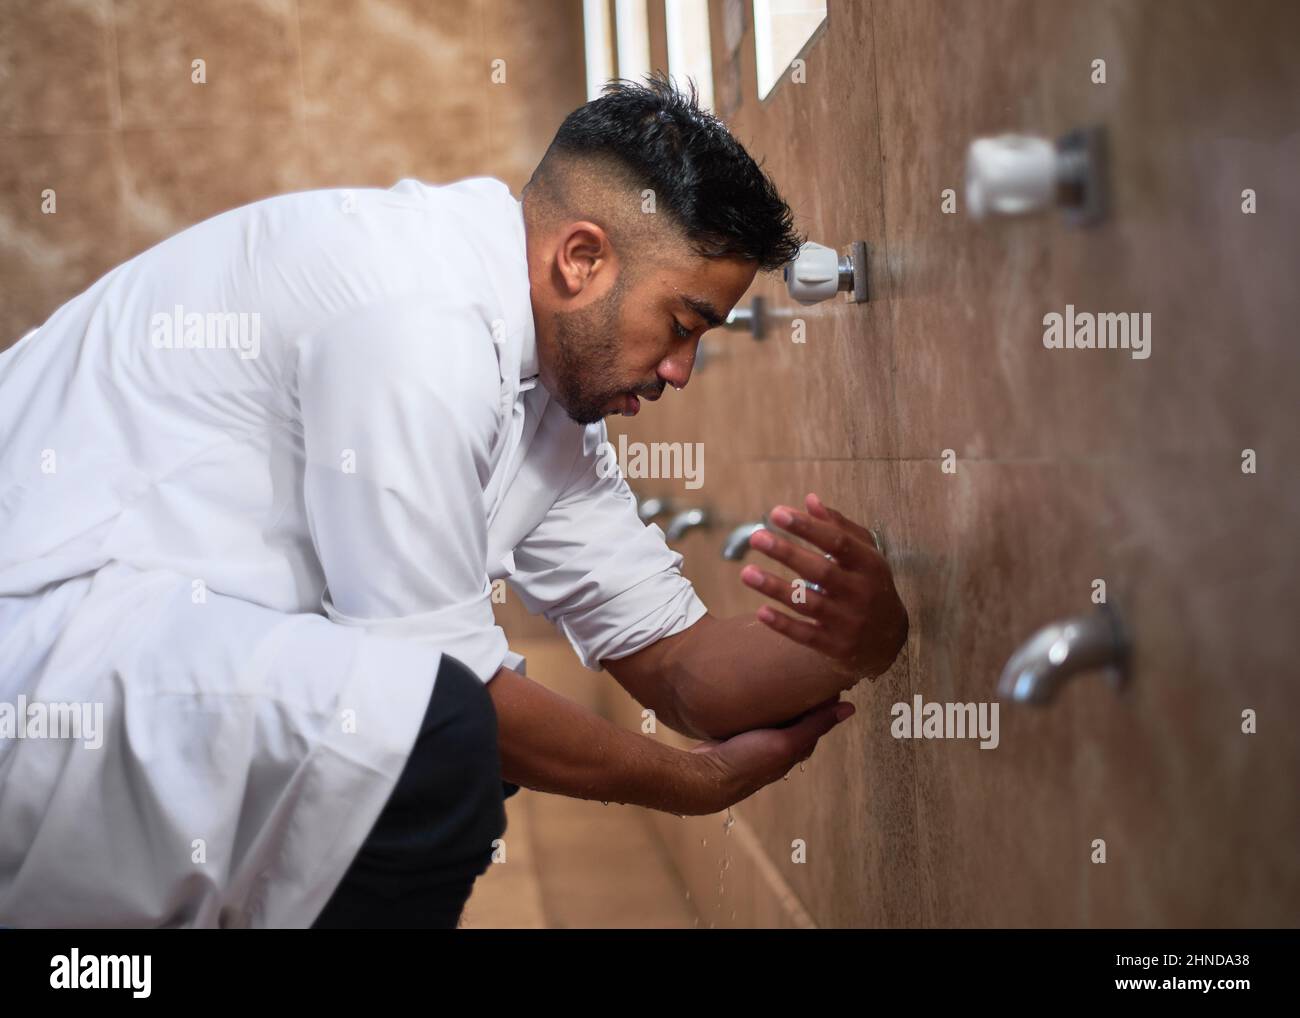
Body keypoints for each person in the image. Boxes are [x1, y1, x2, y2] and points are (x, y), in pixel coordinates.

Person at [0, 75, 907, 928]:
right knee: (437, 740)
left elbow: (678, 667)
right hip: (47, 658)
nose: (681, 371)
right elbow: (456, 689)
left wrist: (860, 645)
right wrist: (691, 782)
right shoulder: (416, 315)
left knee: (441, 739)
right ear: (582, 258)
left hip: (154, 668)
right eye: (680, 326)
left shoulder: (545, 404)